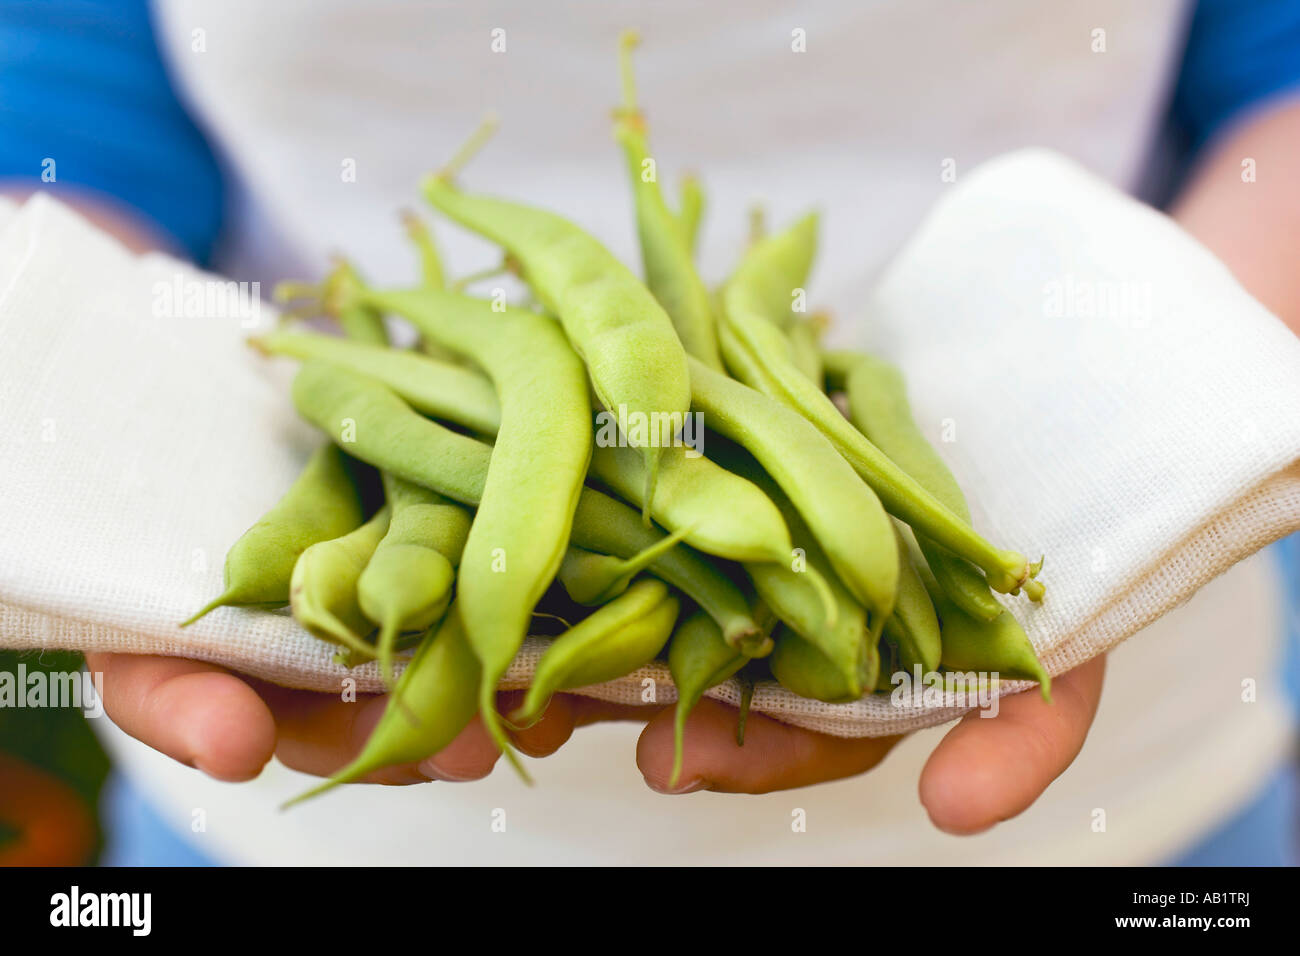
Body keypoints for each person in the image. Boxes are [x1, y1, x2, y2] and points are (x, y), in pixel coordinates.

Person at [2, 0, 1296, 864]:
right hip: (287, 841)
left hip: (1129, 804)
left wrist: (1155, 398)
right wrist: (72, 409)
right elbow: (69, 116)